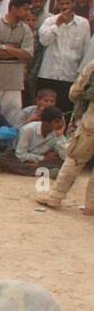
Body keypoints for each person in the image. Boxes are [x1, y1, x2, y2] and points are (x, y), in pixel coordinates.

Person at [38, 56, 94, 213]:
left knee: (74, 159)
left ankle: (55, 197)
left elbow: (75, 92)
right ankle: (91, 205)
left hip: (91, 122)